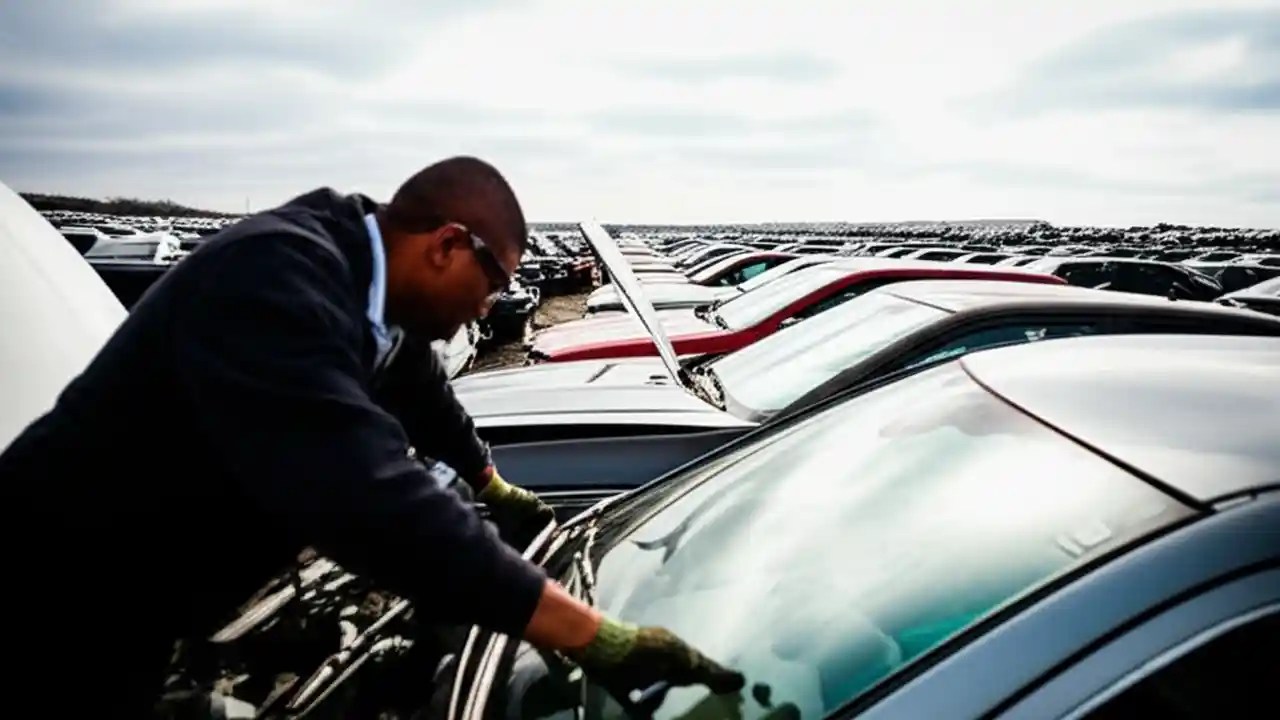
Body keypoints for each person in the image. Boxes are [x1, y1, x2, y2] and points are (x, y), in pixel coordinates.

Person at [0, 157, 742, 715]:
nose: (486, 312)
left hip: (144, 586)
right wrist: (587, 632)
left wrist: (490, 483)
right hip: (58, 592)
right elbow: (369, 491)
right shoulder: (276, 281)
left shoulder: (367, 283)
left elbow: (421, 389)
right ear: (449, 244)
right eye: (491, 288)